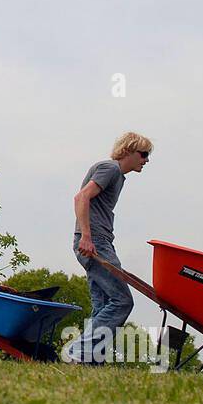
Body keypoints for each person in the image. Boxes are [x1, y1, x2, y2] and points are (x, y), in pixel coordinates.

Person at [68, 131, 153, 364]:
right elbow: (81, 198)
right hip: (95, 242)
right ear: (128, 150)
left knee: (103, 304)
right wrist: (87, 237)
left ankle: (91, 360)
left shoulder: (115, 174)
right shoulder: (111, 169)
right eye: (143, 154)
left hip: (96, 241)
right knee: (122, 301)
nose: (146, 160)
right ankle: (77, 351)